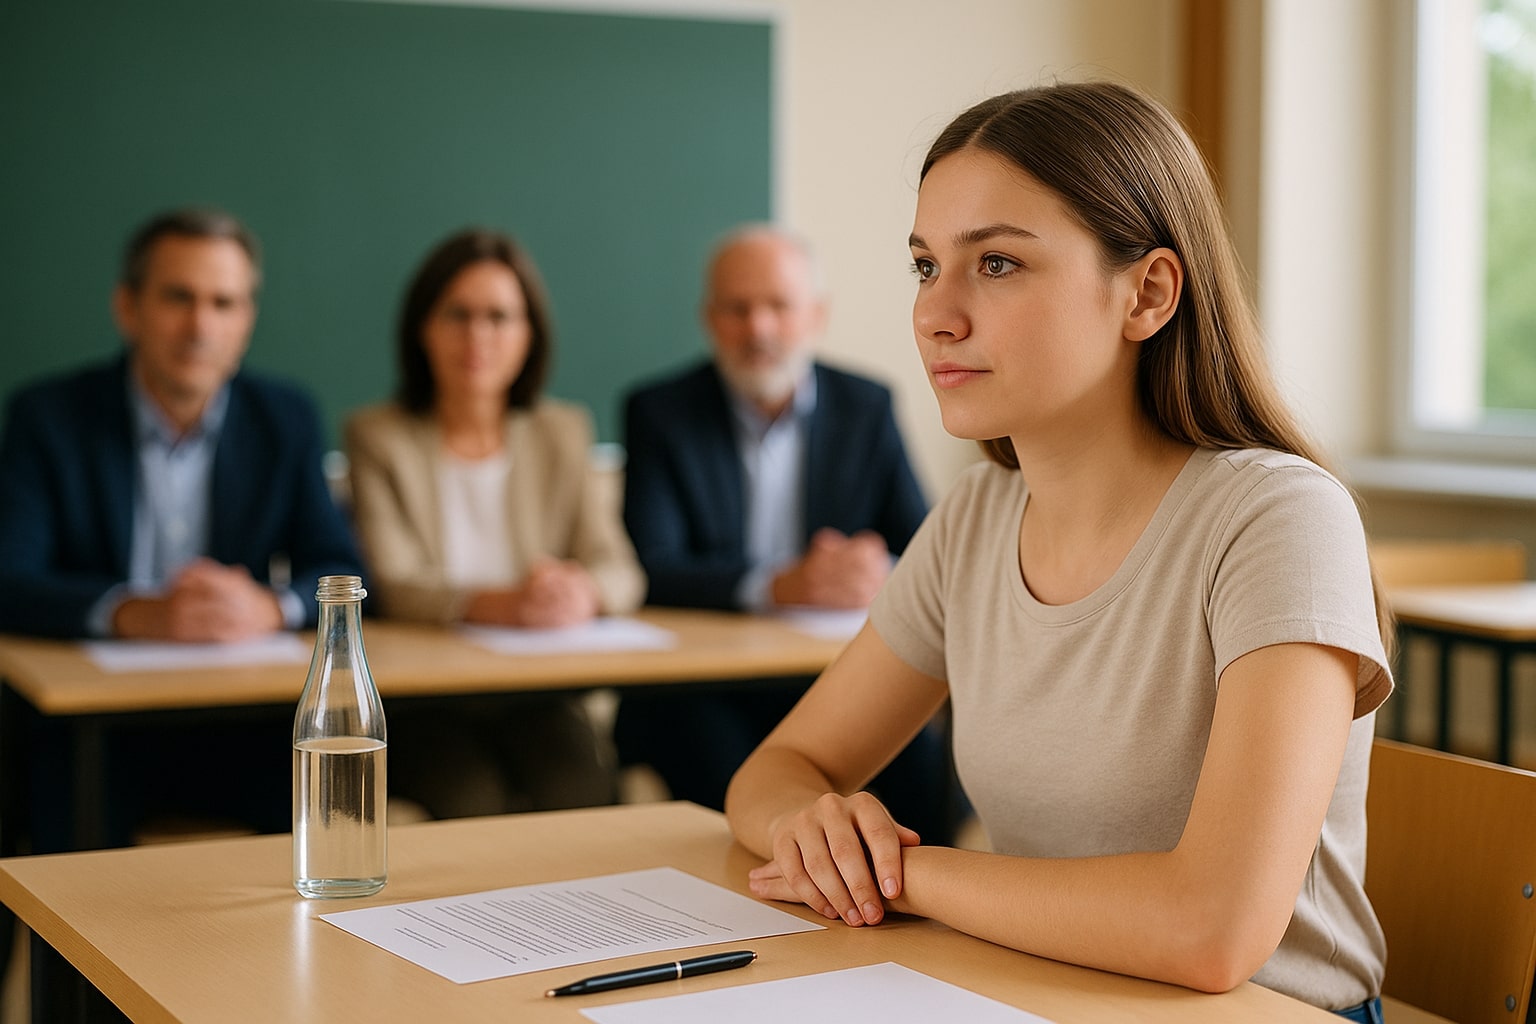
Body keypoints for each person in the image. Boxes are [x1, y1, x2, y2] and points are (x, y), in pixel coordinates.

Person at [724, 82, 1394, 1021]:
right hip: (1041, 995)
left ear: (1147, 294)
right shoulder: (976, 517)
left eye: (996, 263)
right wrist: (815, 830)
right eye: (925, 266)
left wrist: (900, 873)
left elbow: (1213, 931)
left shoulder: (1279, 518)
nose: (935, 314)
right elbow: (779, 768)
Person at [0, 207, 364, 848]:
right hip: (94, 728)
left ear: (247, 320)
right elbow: (10, 578)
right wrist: (134, 613)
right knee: (63, 820)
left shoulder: (285, 417)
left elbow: (342, 569)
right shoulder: (48, 417)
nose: (201, 327)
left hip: (239, 718)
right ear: (128, 307)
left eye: (224, 303)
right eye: (178, 298)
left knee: (329, 808)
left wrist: (268, 607)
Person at [615, 225, 955, 840]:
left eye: (778, 306)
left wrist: (869, 568)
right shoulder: (660, 411)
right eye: (737, 308)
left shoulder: (866, 405)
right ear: (709, 319)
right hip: (704, 683)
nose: (759, 328)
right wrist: (778, 586)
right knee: (729, 787)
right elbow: (653, 566)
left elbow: (923, 546)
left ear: (816, 315)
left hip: (832, 673)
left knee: (924, 775)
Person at [345, 227, 644, 817]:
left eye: (499, 317)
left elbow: (619, 568)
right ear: (423, 328)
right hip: (426, 697)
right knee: (470, 798)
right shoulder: (378, 436)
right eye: (457, 314)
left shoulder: (563, 430)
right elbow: (395, 582)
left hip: (538, 691)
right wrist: (502, 605)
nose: (478, 335)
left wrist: (579, 591)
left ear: (529, 334)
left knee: (580, 790)